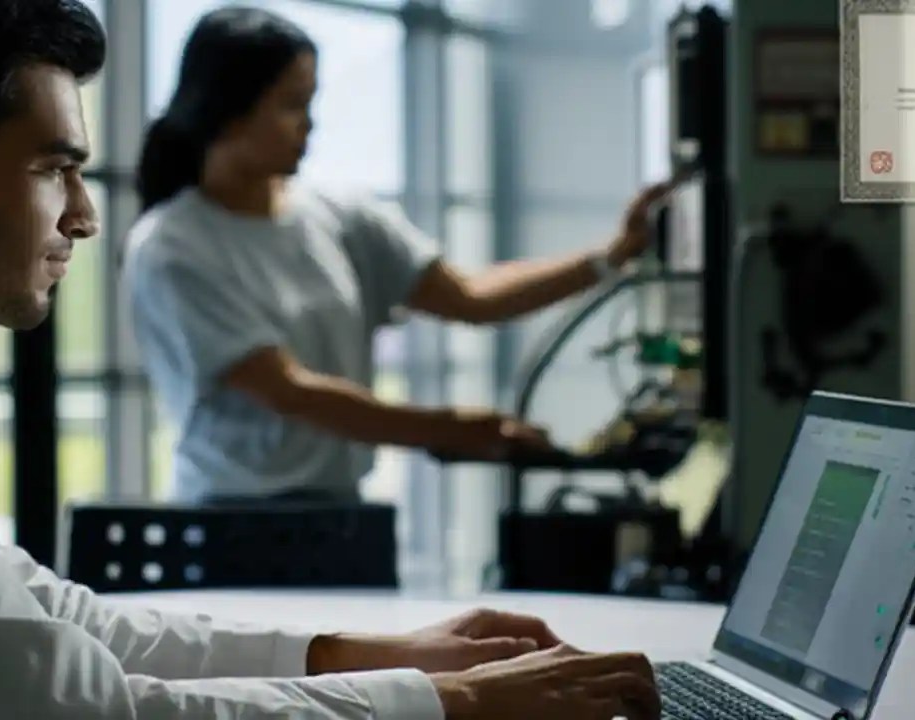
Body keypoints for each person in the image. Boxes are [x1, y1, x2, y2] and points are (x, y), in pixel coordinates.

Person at [0, 1, 662, 718]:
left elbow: (58, 622)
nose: (84, 215)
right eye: (49, 169)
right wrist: (446, 704)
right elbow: (63, 707)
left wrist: (380, 657)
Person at [126, 6, 676, 505]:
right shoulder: (174, 247)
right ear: (229, 111)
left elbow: (470, 297)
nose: (310, 124)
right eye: (292, 105)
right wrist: (448, 428)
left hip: (343, 511)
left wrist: (612, 256)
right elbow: (288, 391)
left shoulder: (342, 217)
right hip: (229, 521)